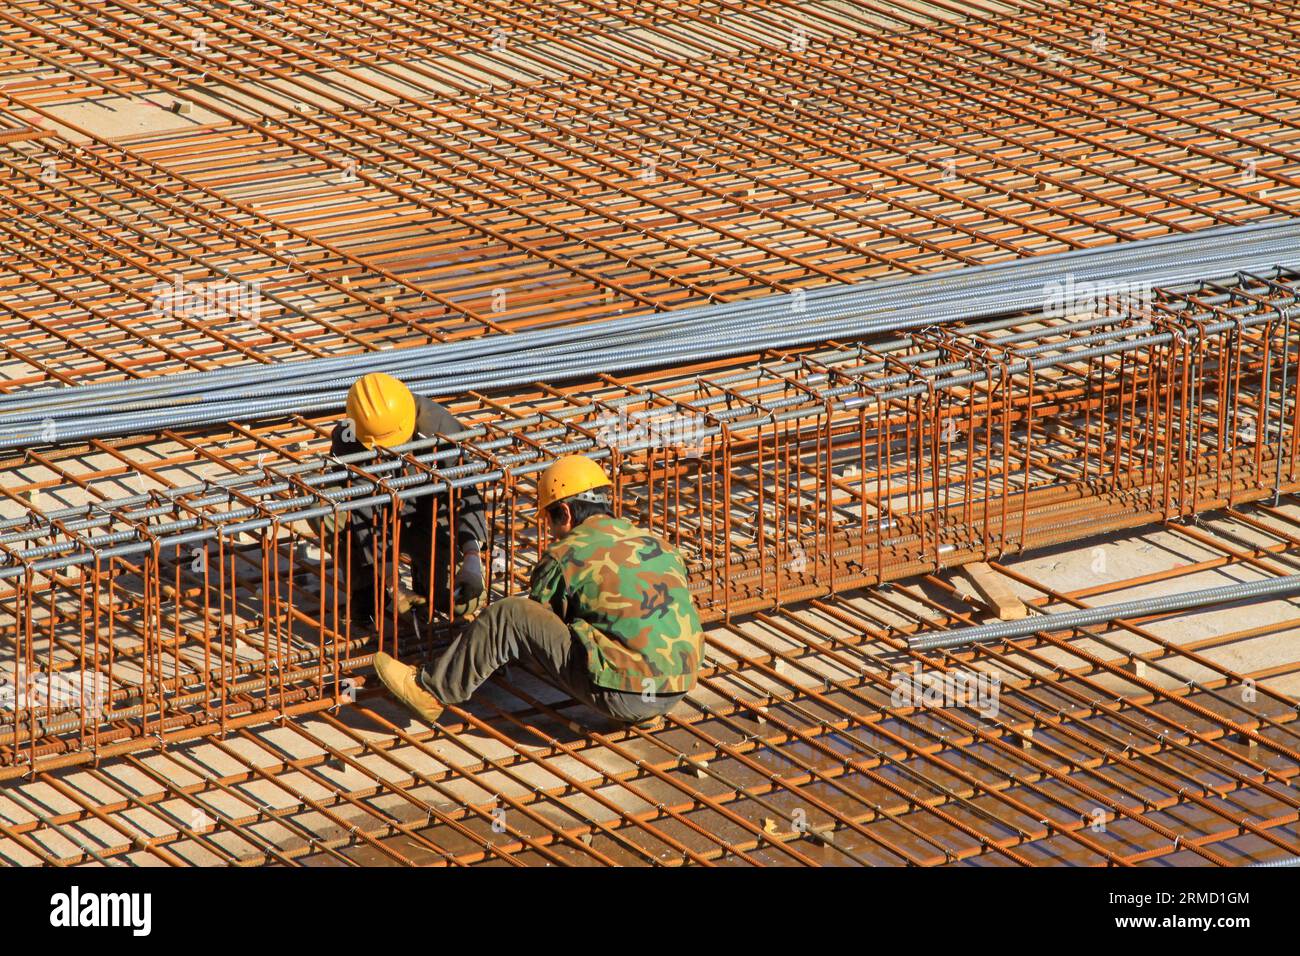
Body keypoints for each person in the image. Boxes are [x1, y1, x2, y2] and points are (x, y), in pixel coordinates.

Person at [372, 454, 703, 729]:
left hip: (623, 695)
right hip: (677, 688)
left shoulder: (566, 552)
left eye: (549, 519)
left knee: (508, 615)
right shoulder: (655, 542)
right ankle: (644, 709)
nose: (550, 530)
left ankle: (430, 691)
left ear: (566, 513)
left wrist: (480, 631)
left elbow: (533, 627)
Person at [330, 372, 487, 624]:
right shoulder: (349, 435)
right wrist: (392, 583)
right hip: (377, 524)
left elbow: (464, 488)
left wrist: (472, 555)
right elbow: (361, 510)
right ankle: (370, 593)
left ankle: (427, 582)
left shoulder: (438, 424)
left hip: (425, 520)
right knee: (331, 507)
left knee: (463, 602)